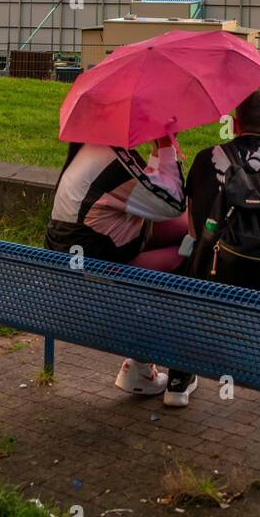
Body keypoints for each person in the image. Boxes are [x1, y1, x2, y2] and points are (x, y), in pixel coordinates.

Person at [164, 87, 260, 410]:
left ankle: (178, 381)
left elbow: (194, 232)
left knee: (191, 261)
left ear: (233, 125)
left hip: (209, 283)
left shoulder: (205, 159)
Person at [44, 134, 187, 397]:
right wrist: (166, 146)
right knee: (187, 253)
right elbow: (173, 203)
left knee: (188, 229)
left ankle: (147, 365)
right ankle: (160, 365)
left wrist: (159, 151)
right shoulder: (112, 162)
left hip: (75, 271)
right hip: (101, 278)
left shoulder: (91, 149)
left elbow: (148, 189)